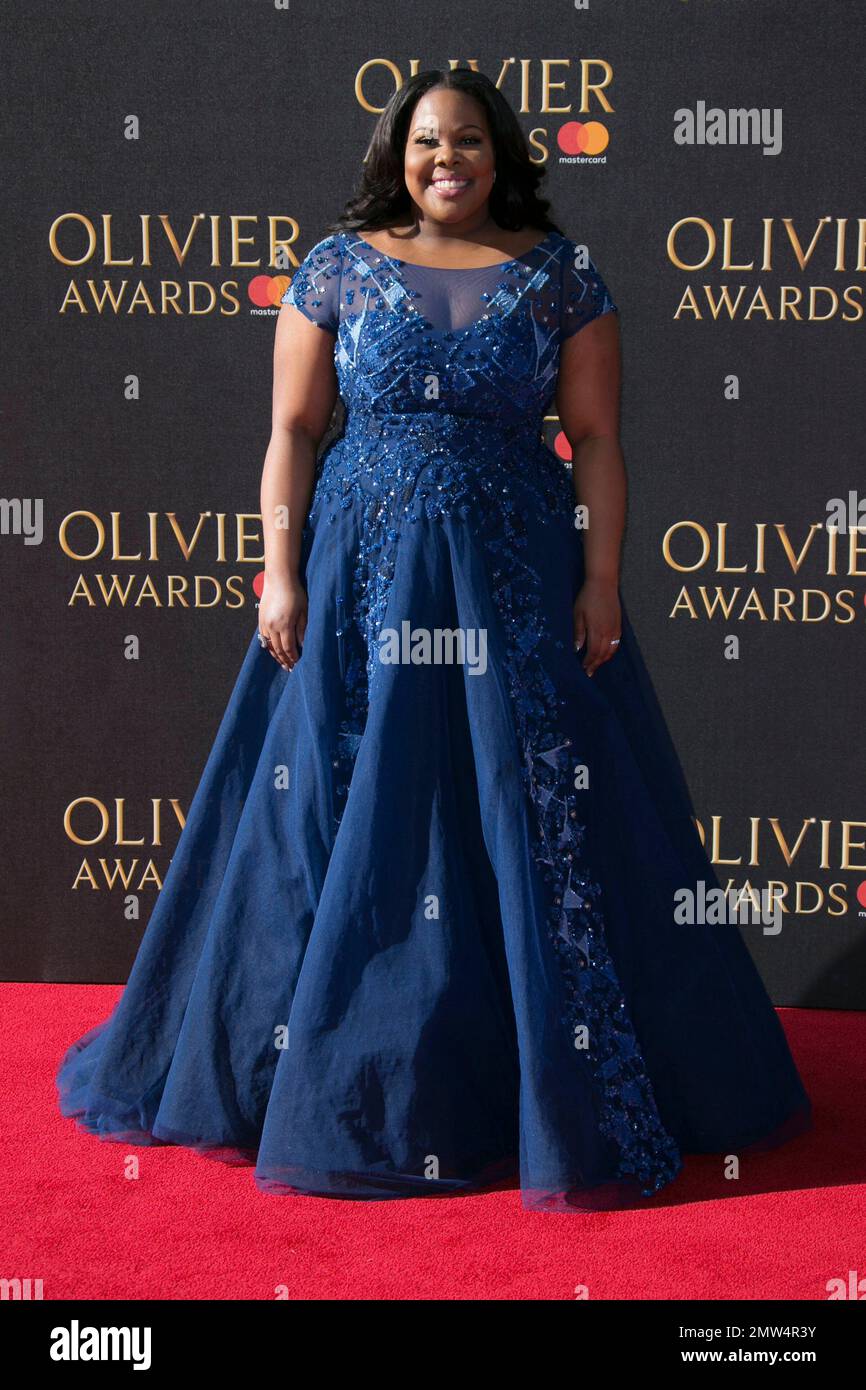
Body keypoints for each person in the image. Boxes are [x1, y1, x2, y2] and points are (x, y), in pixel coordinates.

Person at [56, 68, 812, 1211]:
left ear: (501, 153)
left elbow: (596, 441)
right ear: (394, 155)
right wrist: (276, 569)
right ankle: (327, 1083)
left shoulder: (560, 277)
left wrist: (601, 576)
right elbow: (294, 429)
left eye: (465, 139)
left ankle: (536, 1086)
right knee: (337, 819)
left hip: (512, 584)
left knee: (531, 816)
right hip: (362, 579)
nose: (444, 157)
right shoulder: (335, 267)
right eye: (423, 142)